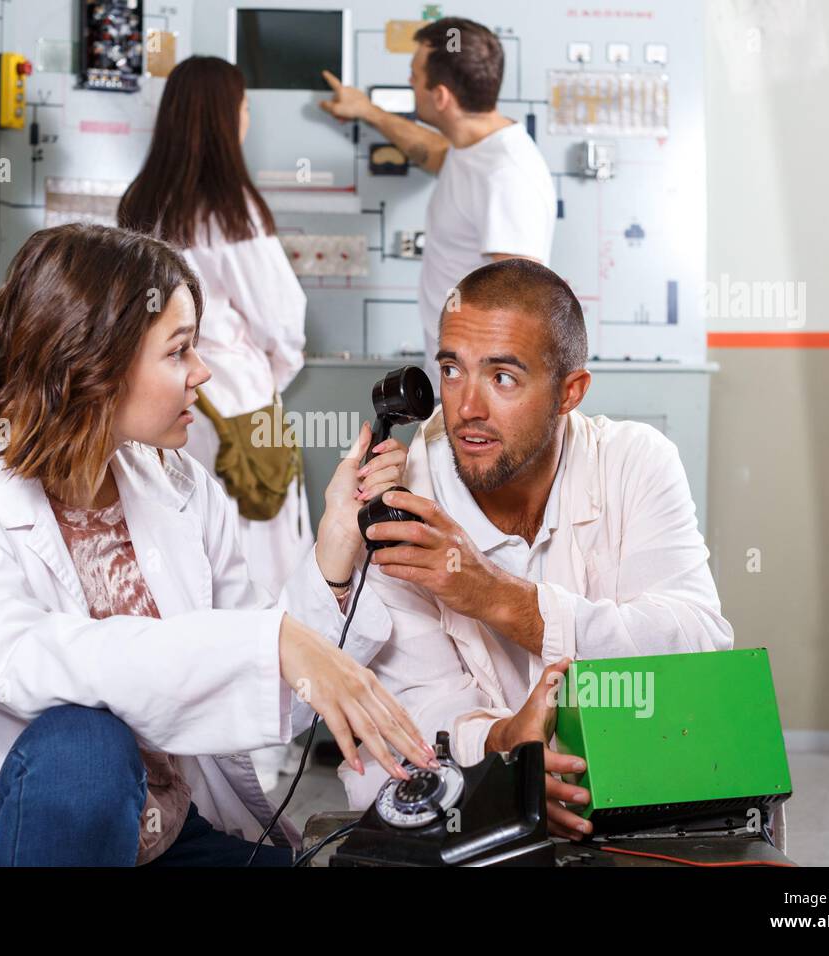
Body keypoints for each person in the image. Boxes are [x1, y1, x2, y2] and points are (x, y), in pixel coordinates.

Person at [0, 223, 434, 867]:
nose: (202, 373)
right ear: (92, 360)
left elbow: (264, 675)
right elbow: (17, 659)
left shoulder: (174, 483)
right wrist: (270, 645)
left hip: (167, 832)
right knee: (84, 747)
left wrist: (337, 547)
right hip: (31, 830)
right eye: (178, 351)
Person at [341, 258, 735, 840]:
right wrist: (507, 757)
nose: (467, 407)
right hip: (472, 814)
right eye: (452, 370)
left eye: (503, 378)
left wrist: (501, 599)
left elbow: (698, 646)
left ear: (569, 391)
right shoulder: (402, 500)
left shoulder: (634, 461)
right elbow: (405, 715)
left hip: (638, 792)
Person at [119, 56, 319, 789]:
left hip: (163, 411)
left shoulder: (139, 207)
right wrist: (257, 379)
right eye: (239, 109)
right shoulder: (232, 210)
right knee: (267, 563)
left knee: (181, 559)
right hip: (238, 408)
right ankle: (263, 744)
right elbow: (285, 322)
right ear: (222, 117)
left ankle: (189, 738)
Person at [319, 17, 556, 387]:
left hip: (476, 397)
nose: (410, 82)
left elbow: (519, 309)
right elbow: (433, 151)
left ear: (441, 96)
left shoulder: (507, 176)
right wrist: (367, 111)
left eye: (415, 75)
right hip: (453, 381)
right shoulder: (473, 150)